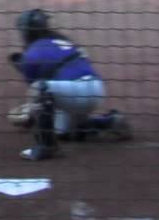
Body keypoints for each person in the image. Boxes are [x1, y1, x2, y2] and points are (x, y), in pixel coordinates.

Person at [8, 8, 133, 161]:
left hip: (77, 93)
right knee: (62, 131)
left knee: (39, 88)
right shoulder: (62, 41)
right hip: (95, 89)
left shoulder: (32, 53)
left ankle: (46, 146)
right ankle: (108, 122)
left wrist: (29, 117)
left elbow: (39, 97)